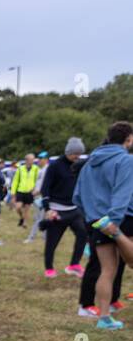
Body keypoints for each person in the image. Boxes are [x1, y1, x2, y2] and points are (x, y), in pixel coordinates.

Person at [74, 121, 133, 329]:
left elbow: (77, 196)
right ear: (128, 139)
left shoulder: (90, 161)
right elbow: (123, 192)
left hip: (96, 220)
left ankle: (104, 317)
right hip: (121, 218)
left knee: (107, 270)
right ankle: (105, 316)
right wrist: (114, 224)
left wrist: (92, 218)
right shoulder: (126, 160)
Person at [40, 138, 88, 278]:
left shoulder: (79, 165)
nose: (77, 156)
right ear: (68, 152)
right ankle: (49, 268)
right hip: (57, 210)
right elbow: (45, 188)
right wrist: (47, 208)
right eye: (75, 154)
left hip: (74, 210)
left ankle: (74, 265)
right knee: (52, 242)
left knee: (83, 233)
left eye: (80, 153)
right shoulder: (55, 166)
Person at [11, 152, 40, 229]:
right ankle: (21, 217)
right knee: (18, 207)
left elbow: (38, 180)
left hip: (30, 192)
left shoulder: (36, 168)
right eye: (31, 159)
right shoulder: (20, 169)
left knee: (27, 209)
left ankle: (24, 223)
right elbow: (15, 181)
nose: (32, 161)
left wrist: (35, 189)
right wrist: (13, 193)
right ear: (26, 160)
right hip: (20, 191)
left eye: (33, 159)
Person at [24, 154, 49, 243]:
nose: (39, 161)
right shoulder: (41, 170)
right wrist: (33, 189)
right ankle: (45, 237)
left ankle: (31, 237)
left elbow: (45, 184)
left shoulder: (47, 169)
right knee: (40, 217)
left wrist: (37, 191)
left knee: (39, 218)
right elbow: (38, 182)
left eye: (41, 159)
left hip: (42, 196)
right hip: (38, 196)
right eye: (39, 159)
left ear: (46, 159)